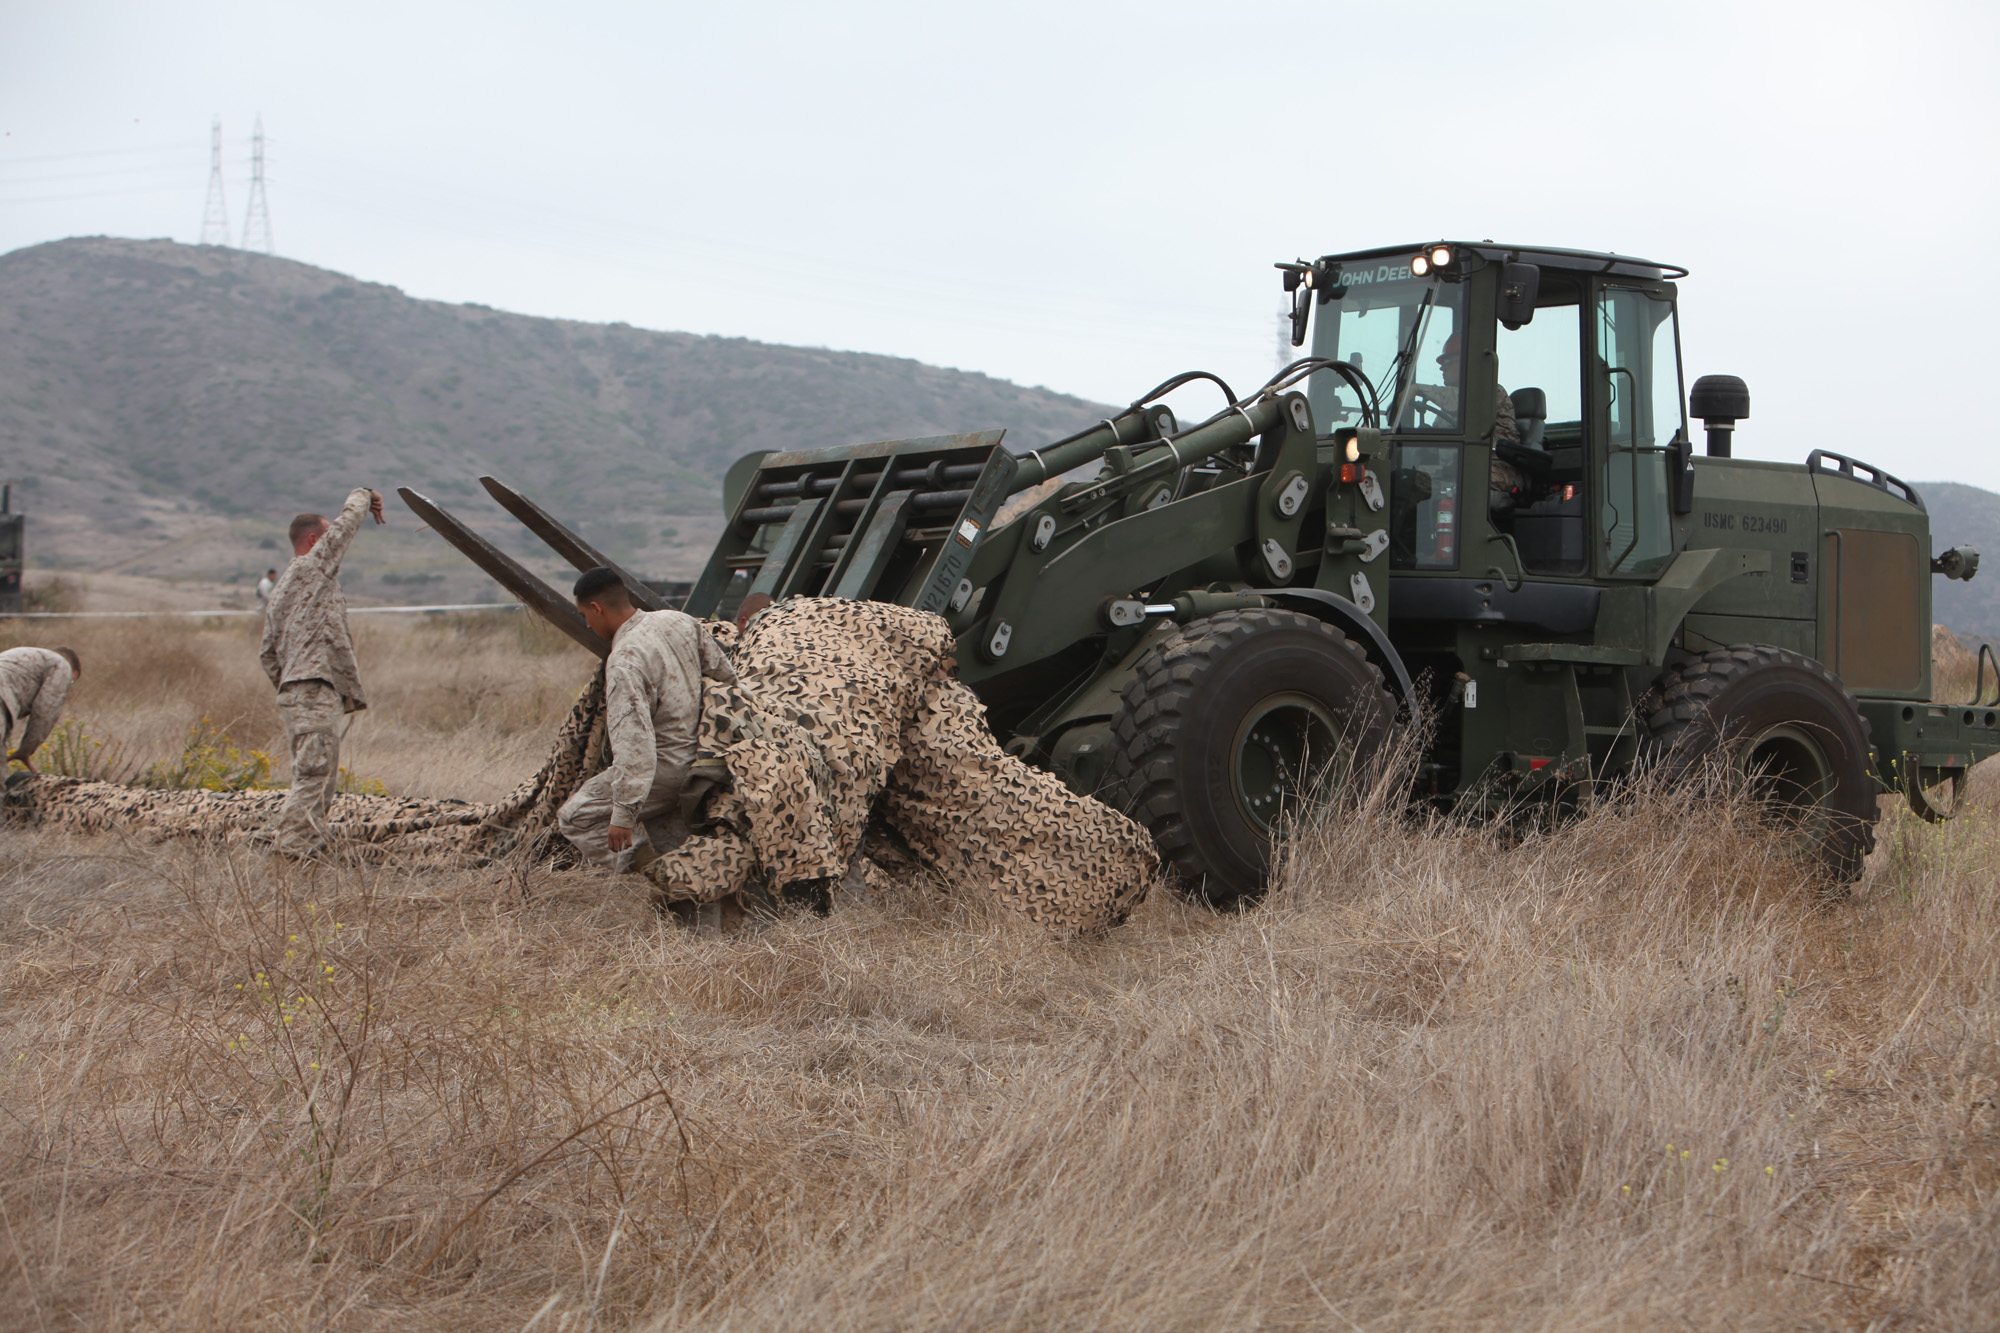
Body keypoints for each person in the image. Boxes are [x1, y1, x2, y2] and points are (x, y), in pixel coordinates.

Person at [558, 566, 736, 870]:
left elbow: (635, 744)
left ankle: (658, 877)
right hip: (706, 757)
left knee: (576, 816)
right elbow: (725, 678)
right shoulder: (679, 621)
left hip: (666, 769)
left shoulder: (624, 660)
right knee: (673, 842)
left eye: (585, 616)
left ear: (596, 608)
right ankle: (687, 892)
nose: (587, 625)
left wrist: (623, 816)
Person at [259, 488, 385, 855]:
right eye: (325, 536)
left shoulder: (282, 589)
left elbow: (268, 653)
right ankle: (294, 849)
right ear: (314, 540)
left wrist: (288, 686)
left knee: (319, 775)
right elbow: (345, 528)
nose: (332, 543)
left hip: (299, 691)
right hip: (312, 690)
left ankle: (309, 846)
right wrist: (364, 495)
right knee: (314, 777)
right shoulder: (312, 568)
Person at [1, 646, 81, 773]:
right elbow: (45, 711)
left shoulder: (20, 656)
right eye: (70, 682)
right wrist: (26, 751)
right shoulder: (62, 666)